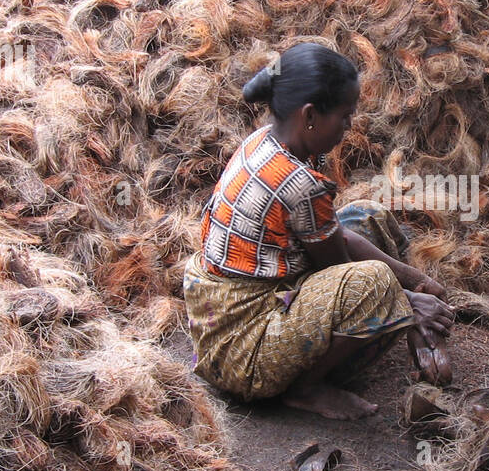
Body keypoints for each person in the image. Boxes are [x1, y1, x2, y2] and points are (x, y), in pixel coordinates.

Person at [183, 43, 455, 420]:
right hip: (241, 349)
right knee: (374, 283)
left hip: (238, 304)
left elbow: (337, 237)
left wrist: (418, 280)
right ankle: (304, 389)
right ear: (310, 116)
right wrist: (408, 302)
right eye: (344, 117)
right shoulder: (298, 182)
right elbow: (339, 267)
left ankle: (414, 316)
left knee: (367, 214)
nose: (349, 127)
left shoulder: (264, 140)